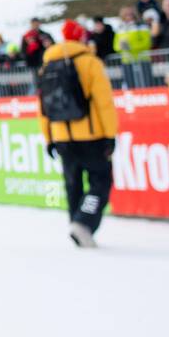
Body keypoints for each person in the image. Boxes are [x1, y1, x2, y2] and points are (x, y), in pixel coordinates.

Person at [37, 20, 119, 248]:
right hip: (91, 135)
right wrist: (110, 134)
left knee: (73, 183)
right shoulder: (90, 63)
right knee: (100, 181)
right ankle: (83, 223)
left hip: (61, 135)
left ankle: (76, 223)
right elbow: (104, 103)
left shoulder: (47, 65)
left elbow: (42, 108)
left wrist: (49, 137)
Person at [113, 5, 152, 89]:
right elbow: (115, 45)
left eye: (130, 14)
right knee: (131, 85)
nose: (128, 16)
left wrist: (130, 47)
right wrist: (121, 47)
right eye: (126, 14)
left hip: (142, 59)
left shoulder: (142, 26)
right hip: (127, 60)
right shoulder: (120, 28)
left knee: (146, 84)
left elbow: (147, 43)